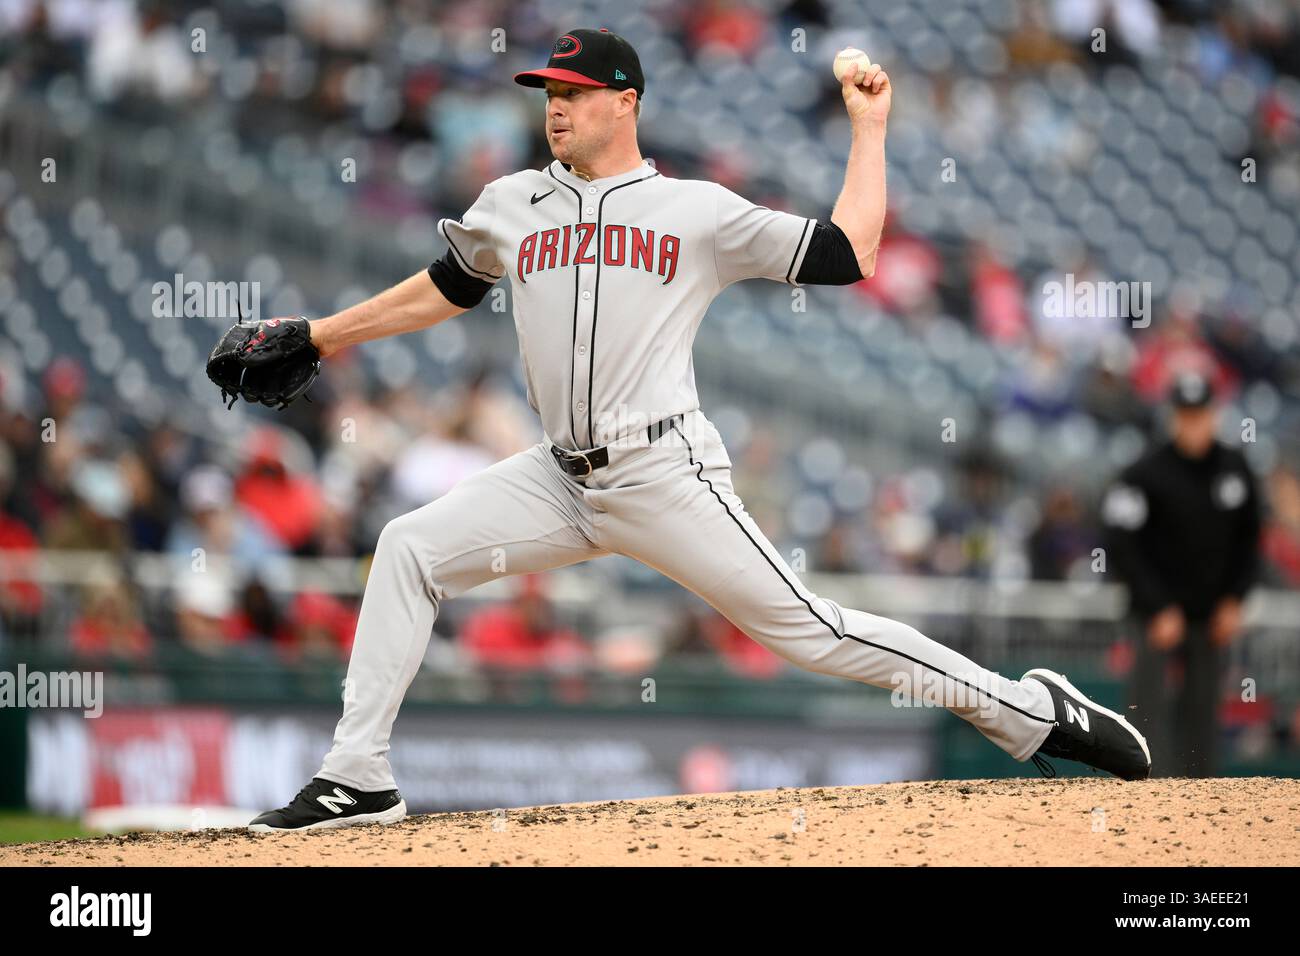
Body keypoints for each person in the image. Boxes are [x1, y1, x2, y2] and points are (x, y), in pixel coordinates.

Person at [246, 28, 1149, 832]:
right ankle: (356, 776)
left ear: (626, 102)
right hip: (559, 479)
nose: (555, 111)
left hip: (664, 471)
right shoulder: (512, 202)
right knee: (408, 546)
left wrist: (869, 129)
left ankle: (1028, 712)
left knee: (814, 633)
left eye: (574, 95)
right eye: (548, 96)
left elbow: (849, 253)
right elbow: (446, 286)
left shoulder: (696, 211)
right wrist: (319, 335)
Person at [1102, 369, 1262, 777]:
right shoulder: (1144, 473)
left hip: (1210, 617)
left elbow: (1250, 540)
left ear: (1213, 415)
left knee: (1203, 714)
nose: (1193, 424)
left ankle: (1201, 805)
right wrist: (1158, 606)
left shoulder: (1234, 469)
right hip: (1157, 618)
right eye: (1185, 415)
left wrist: (1235, 600)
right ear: (1173, 417)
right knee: (1147, 715)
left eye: (1200, 414)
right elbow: (1120, 544)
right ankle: (1145, 793)